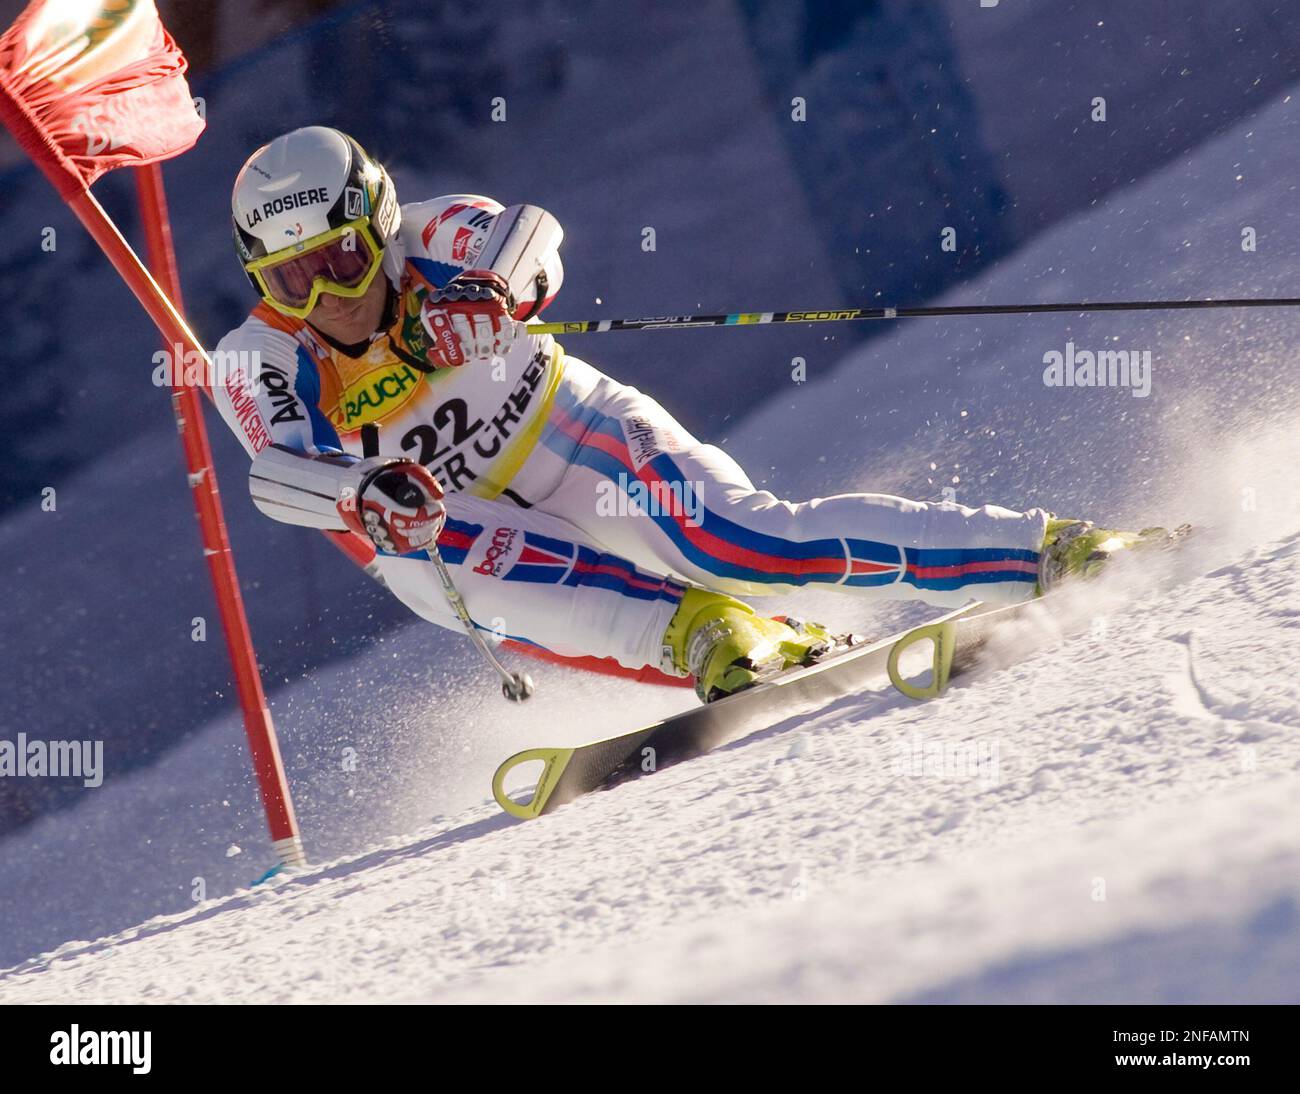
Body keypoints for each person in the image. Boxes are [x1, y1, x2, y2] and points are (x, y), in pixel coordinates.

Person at [214, 126, 1147, 702]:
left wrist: (493, 290)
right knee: (463, 561)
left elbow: (530, 232)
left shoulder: (430, 232)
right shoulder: (258, 355)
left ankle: (1048, 549)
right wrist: (367, 489)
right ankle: (720, 638)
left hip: (568, 432)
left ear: (377, 225)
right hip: (450, 520)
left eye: (340, 259)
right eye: (290, 278)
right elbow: (277, 472)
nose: (324, 296)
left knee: (749, 546)